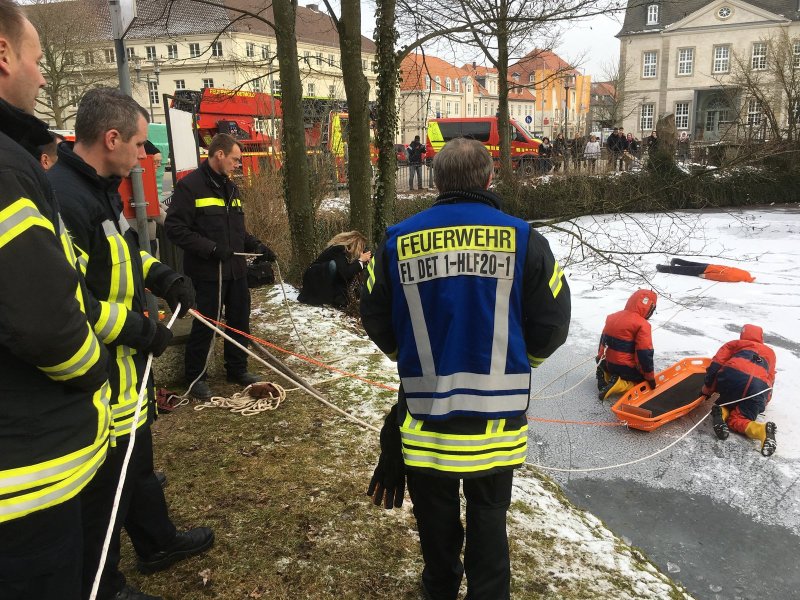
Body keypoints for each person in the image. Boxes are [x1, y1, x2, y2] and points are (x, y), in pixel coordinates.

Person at [360, 138, 571, 600]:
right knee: (489, 525)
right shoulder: (524, 240)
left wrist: (406, 356)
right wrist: (525, 362)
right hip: (496, 428)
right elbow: (554, 323)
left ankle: (438, 589)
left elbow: (372, 312)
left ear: (435, 182)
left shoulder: (397, 241)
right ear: (490, 178)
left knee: (435, 527)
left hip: (425, 422)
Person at [48, 87, 212, 600]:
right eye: (140, 144)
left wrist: (162, 274)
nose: (145, 155)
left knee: (136, 460)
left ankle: (157, 542)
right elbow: (68, 305)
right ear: (112, 138)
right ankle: (104, 583)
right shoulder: (64, 201)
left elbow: (120, 252)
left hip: (125, 365)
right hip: (100, 370)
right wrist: (142, 330)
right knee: (104, 487)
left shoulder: (97, 189)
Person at [0, 3, 111, 598]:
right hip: (24, 479)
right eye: (37, 61)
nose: (44, 77)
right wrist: (95, 369)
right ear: (3, 54)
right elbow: (48, 317)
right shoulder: (8, 169)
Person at [165, 132, 276, 400]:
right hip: (207, 273)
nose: (238, 165)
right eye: (236, 160)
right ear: (219, 155)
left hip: (235, 271)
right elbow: (175, 228)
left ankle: (237, 369)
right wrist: (211, 248)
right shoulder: (190, 186)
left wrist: (257, 246)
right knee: (207, 325)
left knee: (239, 321)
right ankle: (196, 378)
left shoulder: (231, 187)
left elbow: (237, 230)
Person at [702, 324, 777, 457]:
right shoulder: (770, 353)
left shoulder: (735, 344)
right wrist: (762, 402)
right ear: (761, 338)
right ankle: (762, 430)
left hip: (733, 376)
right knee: (742, 417)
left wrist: (708, 388)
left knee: (728, 406)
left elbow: (716, 364)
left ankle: (721, 411)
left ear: (743, 335)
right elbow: (770, 379)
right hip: (758, 387)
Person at [596, 289, 657, 400]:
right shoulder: (643, 324)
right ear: (649, 308)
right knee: (642, 384)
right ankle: (618, 384)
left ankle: (605, 373)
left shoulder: (612, 317)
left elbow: (603, 342)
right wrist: (650, 378)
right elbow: (644, 355)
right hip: (625, 368)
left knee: (615, 363)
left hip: (608, 364)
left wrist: (600, 359)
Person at [298, 230, 372, 308]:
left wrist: (362, 263)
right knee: (333, 265)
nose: (360, 251)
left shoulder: (342, 251)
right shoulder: (339, 249)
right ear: (356, 244)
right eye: (361, 247)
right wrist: (360, 261)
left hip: (317, 277)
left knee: (340, 270)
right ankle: (326, 298)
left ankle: (337, 299)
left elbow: (345, 273)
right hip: (314, 277)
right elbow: (345, 273)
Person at [655, 257, 755, 282]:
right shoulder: (736, 278)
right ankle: (662, 268)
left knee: (691, 264)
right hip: (708, 271)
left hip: (711, 266)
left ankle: (676, 260)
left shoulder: (745, 273)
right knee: (684, 270)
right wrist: (705, 276)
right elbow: (721, 277)